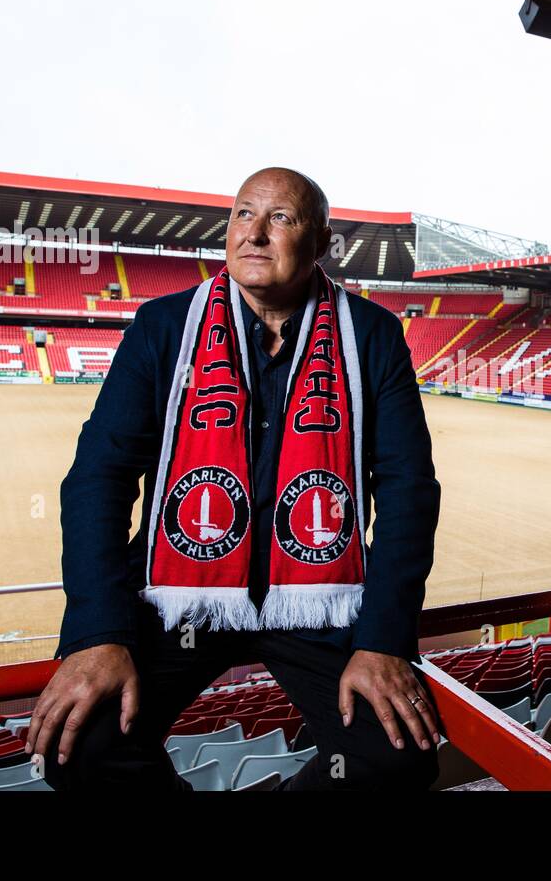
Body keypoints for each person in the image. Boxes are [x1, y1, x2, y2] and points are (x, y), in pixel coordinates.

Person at [28, 167, 441, 790]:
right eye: (243, 214)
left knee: (397, 757)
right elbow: (98, 479)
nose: (254, 234)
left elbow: (409, 491)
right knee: (80, 749)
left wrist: (383, 639)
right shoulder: (163, 328)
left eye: (280, 218)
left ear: (322, 240)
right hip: (178, 598)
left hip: (317, 602)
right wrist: (99, 631)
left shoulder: (372, 334)